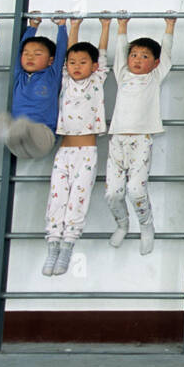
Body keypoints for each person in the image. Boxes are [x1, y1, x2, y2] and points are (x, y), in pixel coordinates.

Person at [43, 17, 111, 277]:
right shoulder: (65, 80)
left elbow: (101, 55)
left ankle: (68, 245)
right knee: (57, 197)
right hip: (64, 151)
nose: (76, 67)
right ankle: (52, 245)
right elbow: (68, 53)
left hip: (86, 152)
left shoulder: (96, 80)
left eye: (83, 63)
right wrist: (73, 26)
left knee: (77, 201)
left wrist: (105, 27)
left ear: (94, 66)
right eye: (72, 63)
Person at [105, 14, 176, 253]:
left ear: (154, 63)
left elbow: (166, 55)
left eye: (144, 56)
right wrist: (122, 27)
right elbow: (119, 51)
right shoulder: (122, 74)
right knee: (113, 192)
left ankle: (146, 225)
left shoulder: (154, 78)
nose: (137, 59)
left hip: (141, 139)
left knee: (136, 189)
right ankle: (122, 224)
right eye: (134, 55)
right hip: (117, 139)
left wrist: (170, 26)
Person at [0, 12, 67, 159]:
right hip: (17, 145)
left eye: (37, 54)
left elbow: (61, 50)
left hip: (43, 136)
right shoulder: (19, 75)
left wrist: (62, 26)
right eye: (26, 54)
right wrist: (32, 26)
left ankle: (1, 130)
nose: (30, 57)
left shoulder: (52, 74)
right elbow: (20, 49)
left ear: (50, 61)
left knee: (20, 124)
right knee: (5, 120)